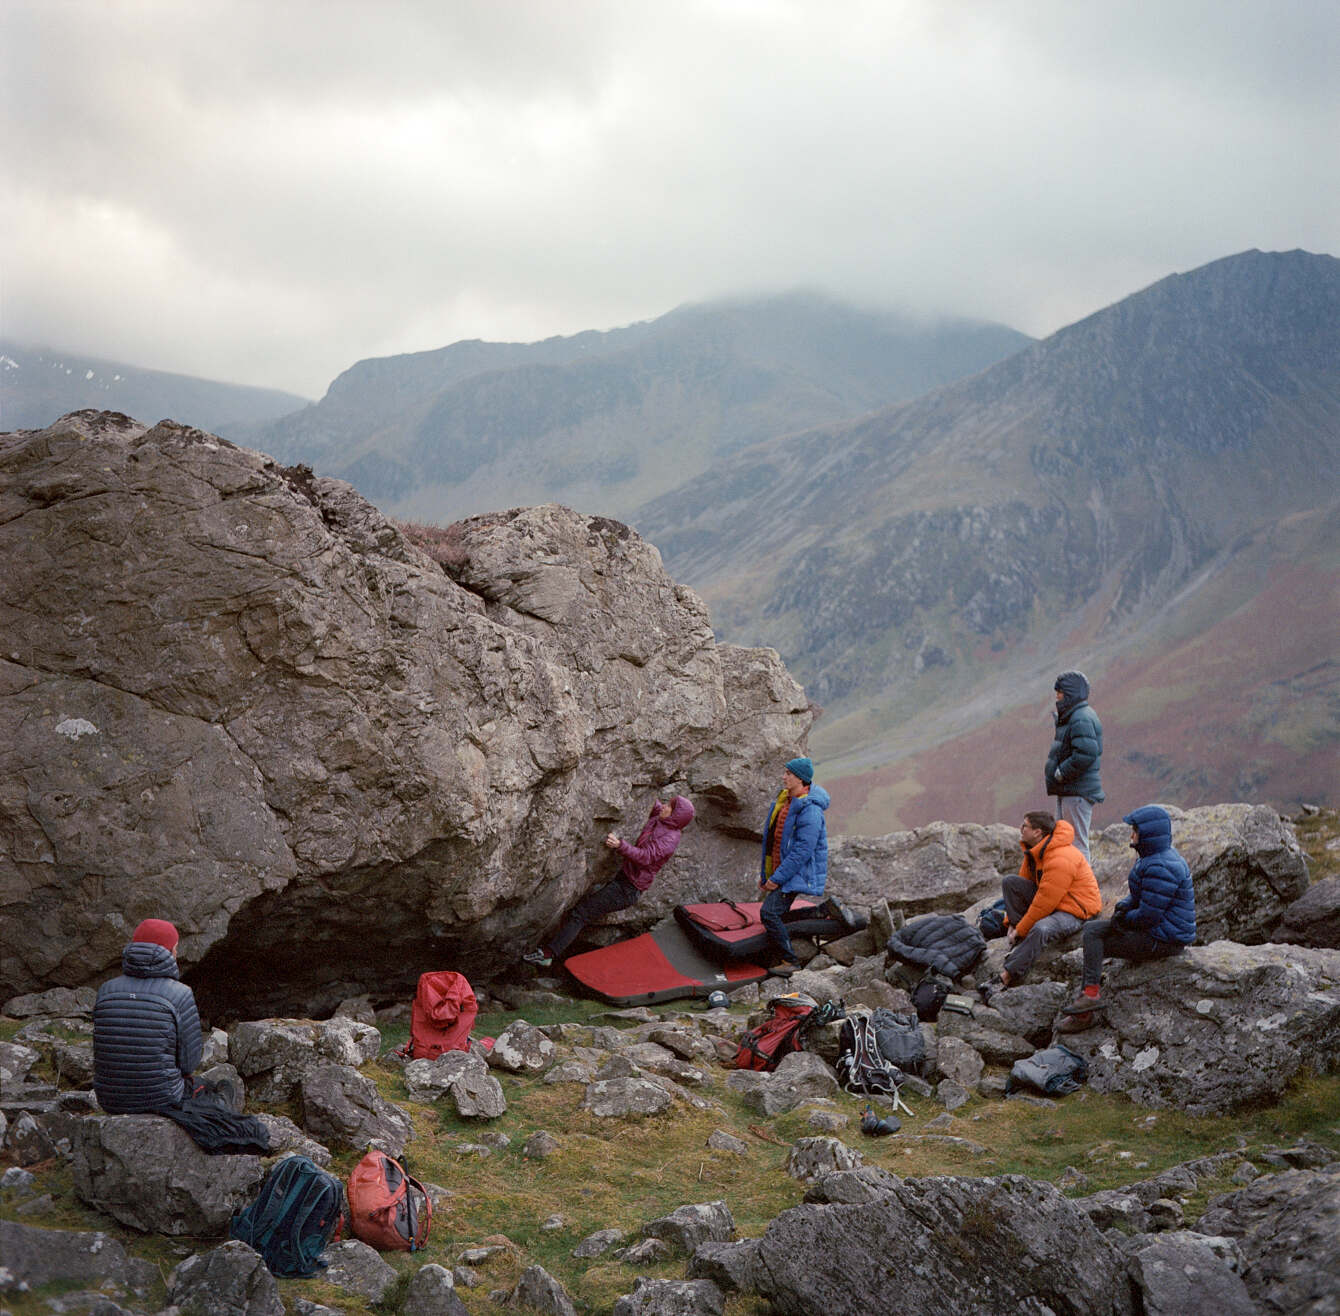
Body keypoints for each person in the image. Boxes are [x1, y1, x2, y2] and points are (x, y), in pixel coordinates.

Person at [1058, 805, 1196, 1033]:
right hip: (1160, 932)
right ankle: (1089, 997)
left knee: (1096, 939)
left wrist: (1123, 920)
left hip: (1164, 940)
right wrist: (1124, 906)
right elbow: (1142, 896)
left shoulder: (1161, 866)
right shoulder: (1153, 858)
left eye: (1135, 830)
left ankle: (1085, 1011)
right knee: (1092, 930)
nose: (1131, 835)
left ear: (1149, 834)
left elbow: (1148, 917)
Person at [524, 795, 696, 966]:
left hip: (628, 888)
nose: (664, 806)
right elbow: (652, 801)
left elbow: (645, 857)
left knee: (581, 913)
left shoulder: (670, 839)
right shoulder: (662, 818)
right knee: (582, 910)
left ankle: (548, 955)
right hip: (622, 878)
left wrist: (620, 845)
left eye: (670, 807)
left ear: (675, 817)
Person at [93, 918, 202, 1114]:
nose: (177, 954)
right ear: (168, 952)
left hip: (109, 1099)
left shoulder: (106, 990)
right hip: (162, 1099)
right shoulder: (180, 994)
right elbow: (189, 1063)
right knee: (209, 1089)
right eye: (176, 948)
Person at [995, 810, 1101, 990]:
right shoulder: (1036, 851)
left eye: (1025, 825)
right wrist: (1011, 923)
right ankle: (1021, 942)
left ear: (1037, 832)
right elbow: (1025, 884)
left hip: (1076, 911)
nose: (1021, 829)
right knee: (1010, 882)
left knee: (1041, 928)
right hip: (1056, 903)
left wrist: (1020, 930)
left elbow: (1044, 903)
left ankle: (1007, 975)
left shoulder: (1061, 857)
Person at [758, 757, 830, 976]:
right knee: (777, 912)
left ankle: (791, 961)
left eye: (788, 774)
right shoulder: (788, 801)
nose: (784, 777)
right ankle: (820, 912)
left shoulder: (810, 810)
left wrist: (777, 878)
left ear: (800, 779)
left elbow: (801, 852)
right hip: (783, 870)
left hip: (793, 873)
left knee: (769, 914)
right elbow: (776, 840)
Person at [1045, 671, 1104, 861]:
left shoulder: (1081, 717)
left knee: (1076, 843)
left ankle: (1082, 888)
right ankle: (1071, 885)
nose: (1057, 696)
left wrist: (1062, 772)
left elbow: (1086, 753)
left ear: (1070, 693)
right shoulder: (1076, 715)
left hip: (1077, 792)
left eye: (1060, 692)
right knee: (1065, 841)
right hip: (1070, 790)